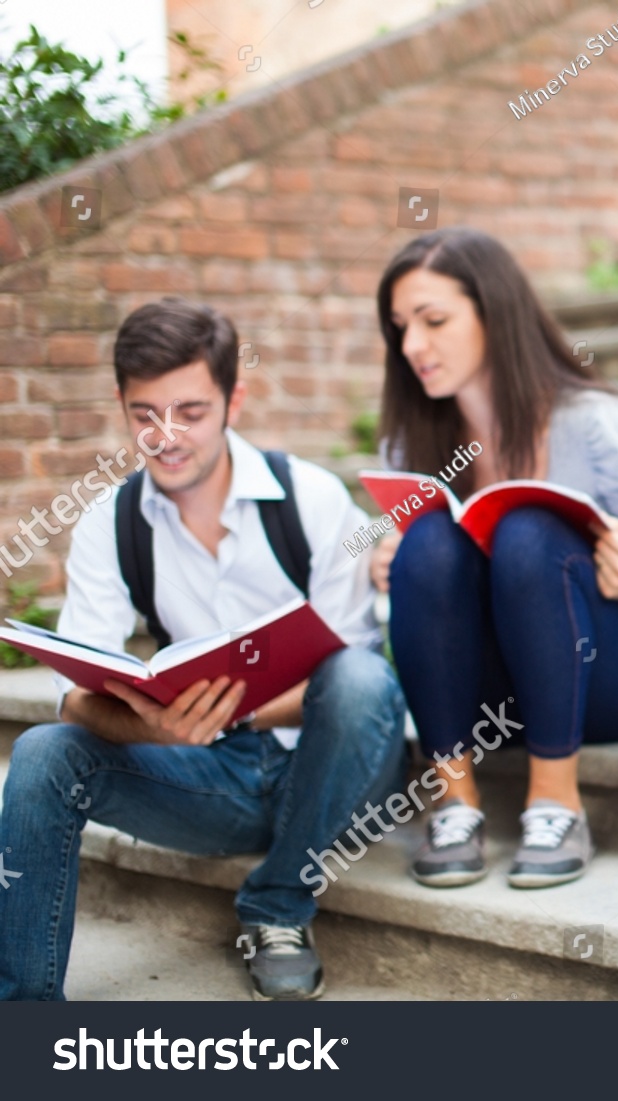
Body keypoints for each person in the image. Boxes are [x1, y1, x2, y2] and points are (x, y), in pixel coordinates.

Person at [0, 299, 406, 1001]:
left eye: (189, 411)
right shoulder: (112, 521)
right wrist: (153, 724)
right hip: (208, 779)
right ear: (122, 406)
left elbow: (357, 682)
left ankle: (277, 907)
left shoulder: (308, 498)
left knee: (361, 677)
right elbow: (76, 698)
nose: (166, 436)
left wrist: (232, 714)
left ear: (233, 399)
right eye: (144, 414)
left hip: (330, 768)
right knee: (42, 751)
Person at [371, 227, 618, 890]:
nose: (413, 346)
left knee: (526, 529)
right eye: (401, 326)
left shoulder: (594, 420)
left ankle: (556, 803)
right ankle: (456, 806)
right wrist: (384, 560)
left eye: (434, 321)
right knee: (428, 542)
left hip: (611, 677)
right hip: (492, 693)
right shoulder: (414, 440)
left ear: (494, 313)